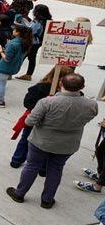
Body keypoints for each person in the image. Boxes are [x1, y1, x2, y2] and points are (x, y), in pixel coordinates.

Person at [6, 74, 99, 209]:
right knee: (56, 169)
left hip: (41, 141)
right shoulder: (91, 105)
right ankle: (47, 200)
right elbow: (89, 117)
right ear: (82, 87)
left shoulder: (47, 102)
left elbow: (29, 121)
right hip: (68, 144)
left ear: (61, 84)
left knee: (32, 166)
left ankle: (19, 193)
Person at [11, 67, 76, 169]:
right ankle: (18, 159)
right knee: (28, 140)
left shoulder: (68, 94)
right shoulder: (41, 88)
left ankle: (31, 164)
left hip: (47, 123)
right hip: (37, 120)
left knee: (37, 143)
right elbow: (28, 103)